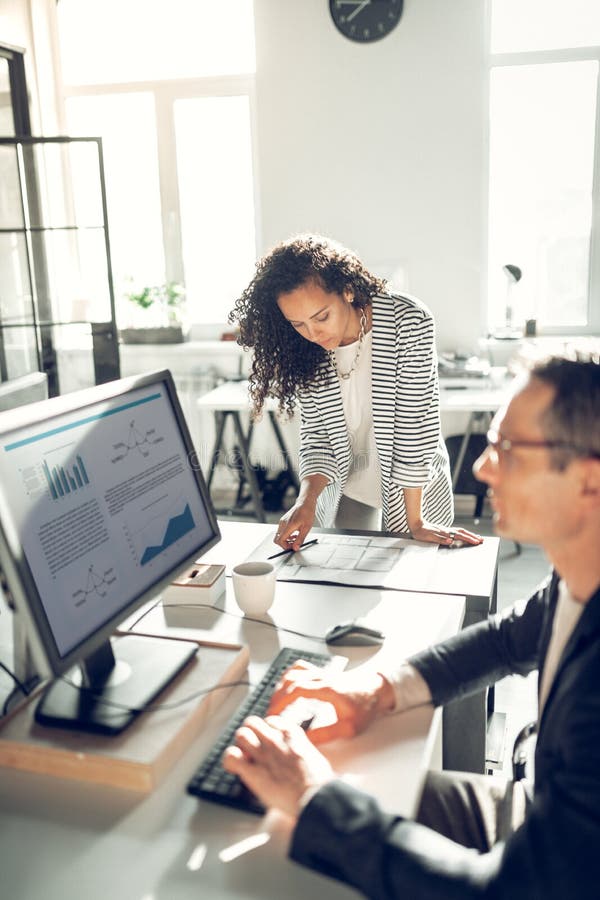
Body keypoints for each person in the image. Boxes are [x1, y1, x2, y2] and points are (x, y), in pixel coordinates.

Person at [223, 352, 600, 898]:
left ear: (588, 479)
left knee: (301, 840)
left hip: (546, 868)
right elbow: (508, 639)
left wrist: (313, 797)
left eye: (508, 450)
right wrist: (378, 691)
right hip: (538, 816)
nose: (481, 468)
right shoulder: (579, 575)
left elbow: (510, 892)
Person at [229, 234, 481, 549]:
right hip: (348, 485)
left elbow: (414, 429)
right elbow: (319, 438)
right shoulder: (303, 350)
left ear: (347, 290)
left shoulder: (409, 321)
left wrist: (416, 521)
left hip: (412, 489)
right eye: (298, 324)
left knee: (412, 569)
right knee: (345, 568)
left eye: (322, 317)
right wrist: (306, 501)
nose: (313, 333)